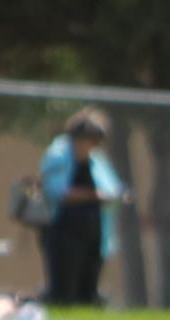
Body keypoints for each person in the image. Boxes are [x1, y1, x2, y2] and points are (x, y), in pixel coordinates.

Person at [37, 108, 122, 306]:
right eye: (88, 141)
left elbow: (111, 188)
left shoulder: (96, 160)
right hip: (63, 230)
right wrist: (94, 196)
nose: (91, 147)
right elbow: (56, 190)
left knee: (88, 291)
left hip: (94, 231)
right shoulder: (58, 155)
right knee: (63, 290)